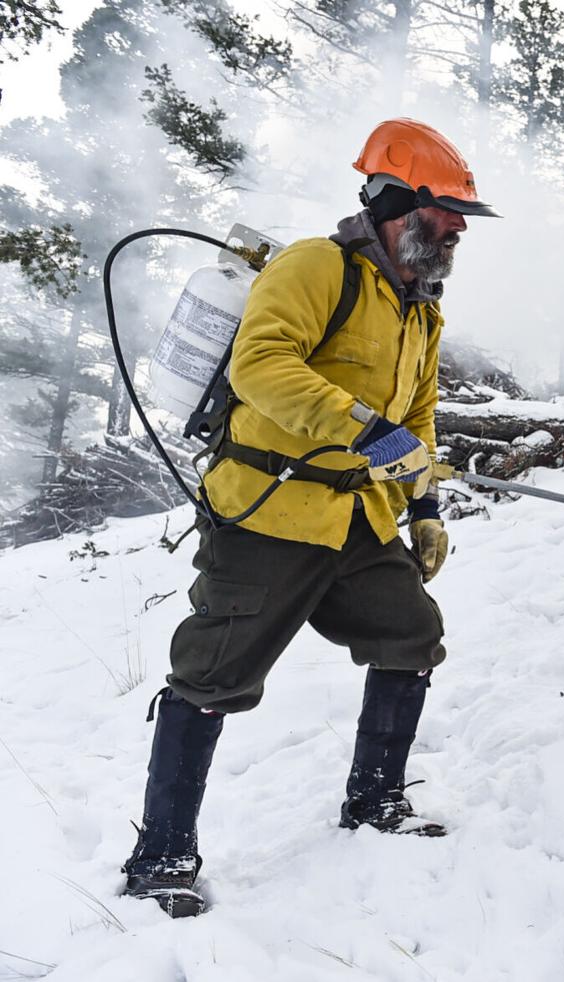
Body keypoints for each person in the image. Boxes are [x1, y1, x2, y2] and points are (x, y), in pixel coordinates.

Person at [121, 118, 499, 918]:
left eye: (462, 217)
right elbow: (261, 366)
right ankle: (162, 857)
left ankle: (375, 801)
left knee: (411, 634)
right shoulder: (315, 267)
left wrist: (425, 508)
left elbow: (418, 417)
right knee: (212, 675)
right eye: (446, 213)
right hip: (269, 512)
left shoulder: (421, 309)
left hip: (357, 518)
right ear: (397, 206)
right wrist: (365, 429)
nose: (459, 229)